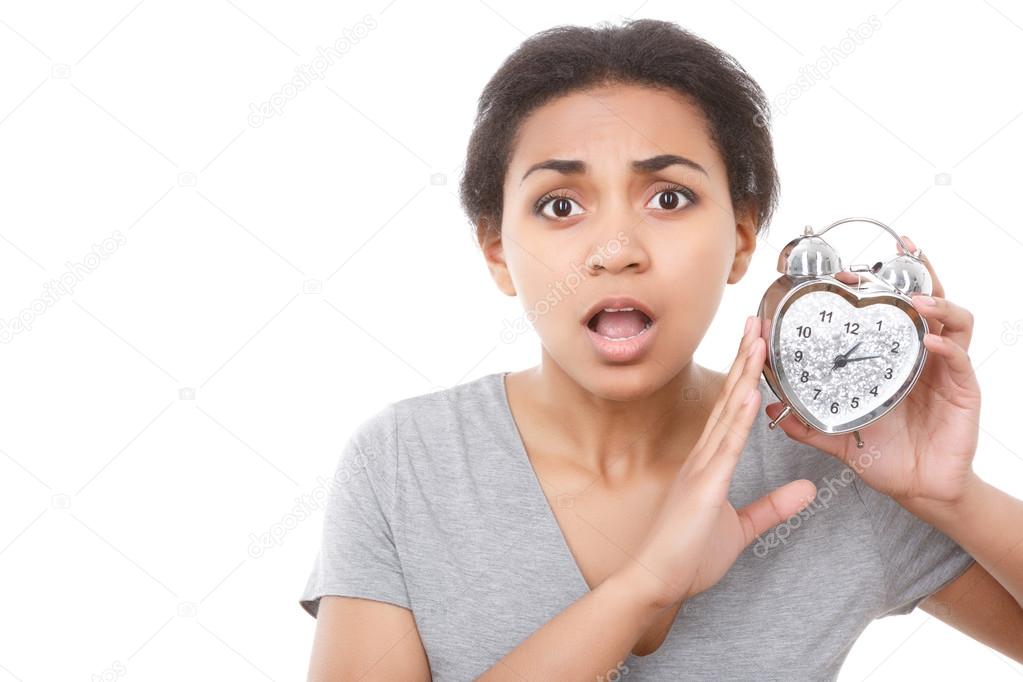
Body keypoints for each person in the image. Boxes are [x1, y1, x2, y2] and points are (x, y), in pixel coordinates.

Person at [301, 18, 1023, 680]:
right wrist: (644, 585)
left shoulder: (834, 466)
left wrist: (952, 497)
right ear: (497, 250)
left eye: (668, 198)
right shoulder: (405, 463)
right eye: (560, 205)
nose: (616, 251)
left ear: (741, 238)